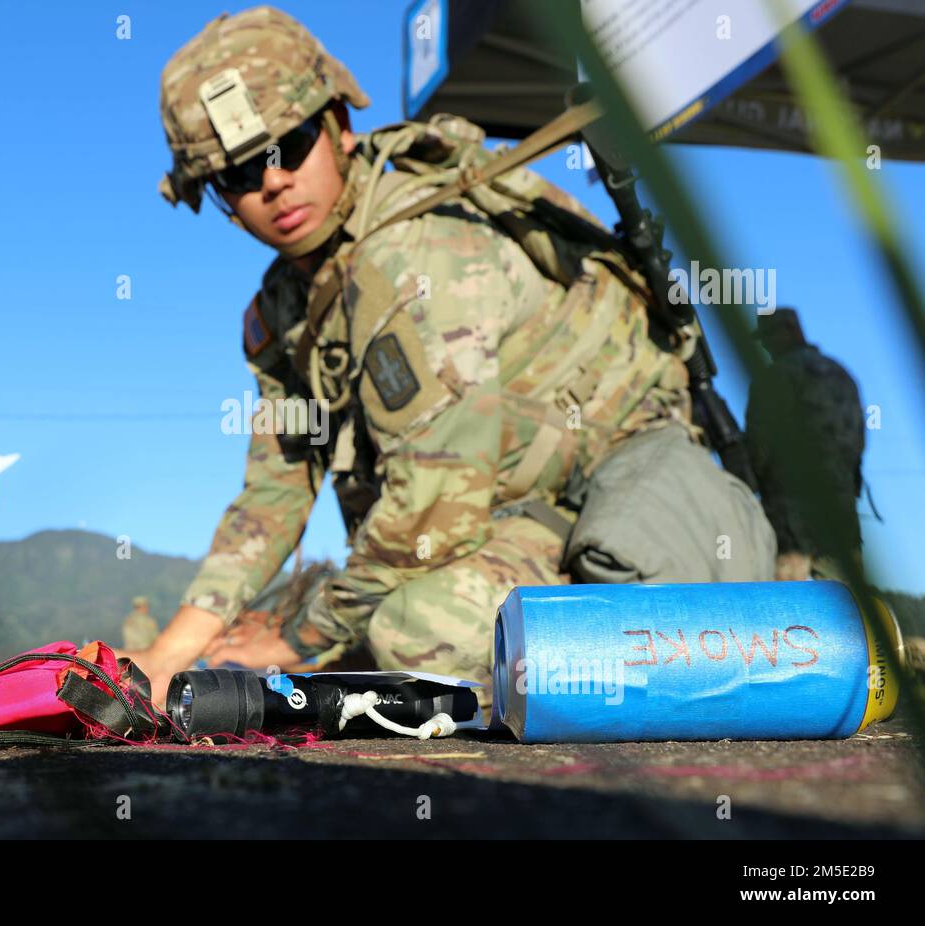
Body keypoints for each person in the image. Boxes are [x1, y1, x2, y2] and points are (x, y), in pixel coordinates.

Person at [126, 6, 700, 712]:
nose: (272, 183)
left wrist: (290, 640)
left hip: (600, 501)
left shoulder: (416, 253)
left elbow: (433, 512)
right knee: (329, 649)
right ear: (216, 197)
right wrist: (173, 649)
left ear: (339, 126)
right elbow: (275, 491)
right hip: (504, 513)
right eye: (240, 173)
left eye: (291, 144)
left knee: (411, 636)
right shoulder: (283, 308)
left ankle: (707, 643)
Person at [745, 307, 866, 580]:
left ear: (790, 331)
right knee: (845, 602)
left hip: (789, 512)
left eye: (768, 336)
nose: (765, 344)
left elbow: (758, 445)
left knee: (790, 607)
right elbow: (858, 443)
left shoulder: (776, 376)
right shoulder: (842, 376)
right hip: (840, 508)